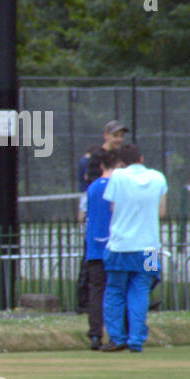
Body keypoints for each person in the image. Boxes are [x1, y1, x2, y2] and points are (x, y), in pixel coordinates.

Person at [100, 144, 167, 353]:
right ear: (141, 157)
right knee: (141, 291)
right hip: (149, 247)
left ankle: (117, 337)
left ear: (121, 161)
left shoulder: (118, 176)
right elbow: (162, 212)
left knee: (115, 291)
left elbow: (112, 206)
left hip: (121, 245)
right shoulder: (158, 178)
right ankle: (136, 339)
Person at [76, 121, 128, 312]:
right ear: (106, 135)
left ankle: (135, 300)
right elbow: (92, 187)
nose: (119, 139)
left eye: (121, 136)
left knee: (145, 270)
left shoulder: (122, 156)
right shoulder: (97, 158)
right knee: (93, 262)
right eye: (115, 135)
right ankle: (85, 302)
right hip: (101, 219)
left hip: (120, 221)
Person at [80, 148, 118, 350]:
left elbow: (85, 215)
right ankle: (120, 334)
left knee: (97, 292)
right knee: (118, 290)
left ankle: (95, 334)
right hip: (118, 248)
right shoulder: (119, 187)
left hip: (95, 248)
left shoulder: (92, 188)